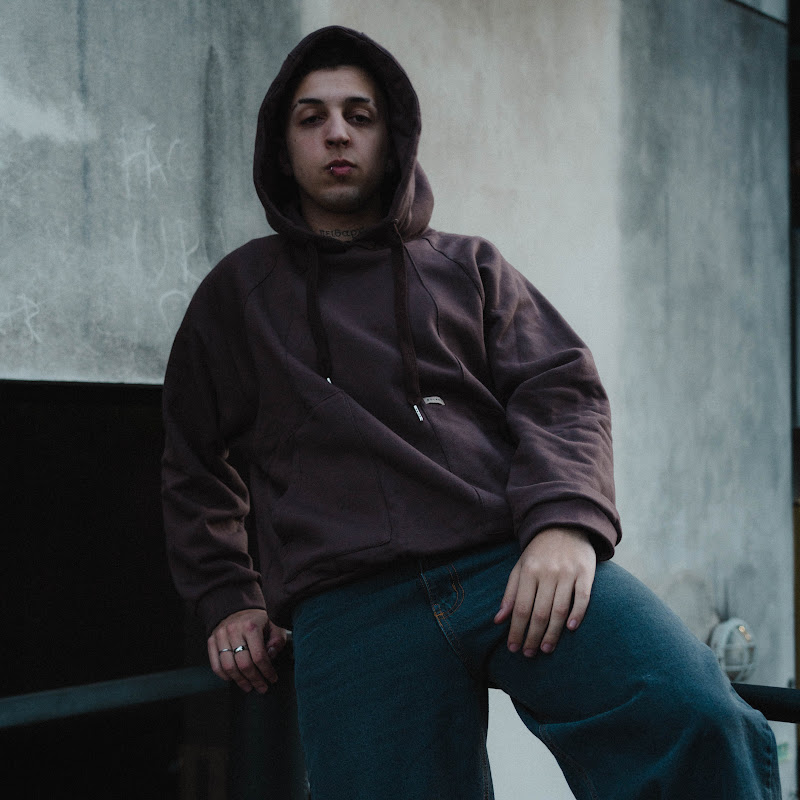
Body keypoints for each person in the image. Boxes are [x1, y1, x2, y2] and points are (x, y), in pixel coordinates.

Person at [162, 25, 780, 799]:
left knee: (693, 716)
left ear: (393, 138)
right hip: (351, 606)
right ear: (283, 148)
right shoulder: (237, 296)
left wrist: (565, 524)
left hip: (510, 566)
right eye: (311, 117)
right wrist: (230, 597)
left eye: (359, 114)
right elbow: (193, 461)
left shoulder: (470, 267)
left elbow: (560, 391)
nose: (337, 133)